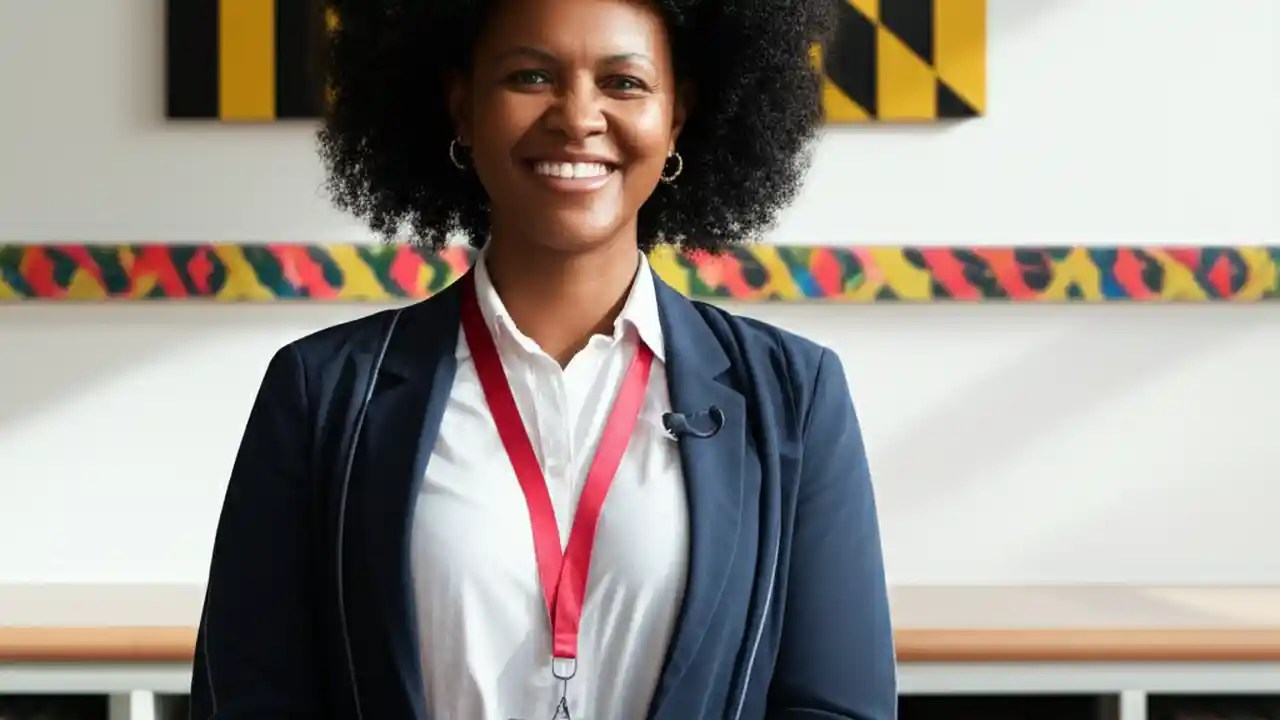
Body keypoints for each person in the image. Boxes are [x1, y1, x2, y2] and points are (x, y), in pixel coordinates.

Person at [189, 0, 896, 717]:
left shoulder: (794, 396)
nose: (578, 116)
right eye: (531, 76)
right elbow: (248, 700)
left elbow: (836, 706)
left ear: (676, 117)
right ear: (462, 108)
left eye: (624, 83)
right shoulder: (321, 392)